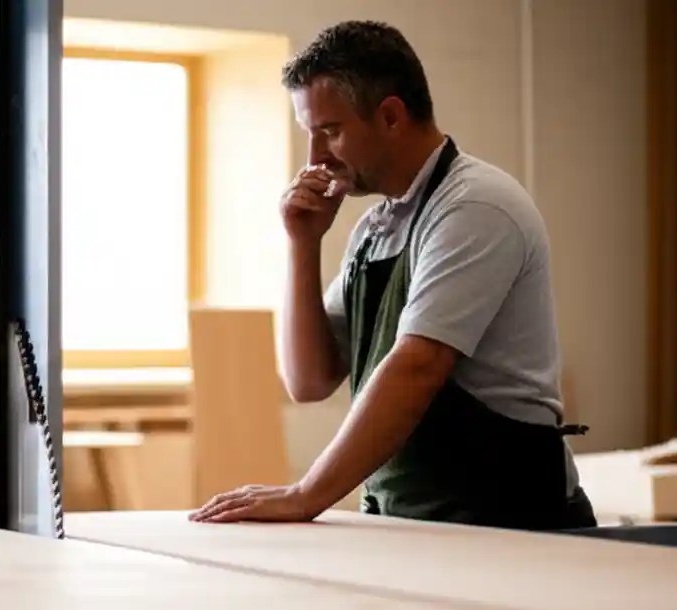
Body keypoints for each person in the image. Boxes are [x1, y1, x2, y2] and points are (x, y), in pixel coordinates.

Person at [189, 20, 596, 530]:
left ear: (390, 116)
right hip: (415, 526)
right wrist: (303, 245)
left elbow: (418, 365)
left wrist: (306, 494)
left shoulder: (476, 206)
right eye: (309, 135)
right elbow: (308, 380)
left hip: (509, 526)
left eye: (330, 132)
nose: (314, 158)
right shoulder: (377, 229)